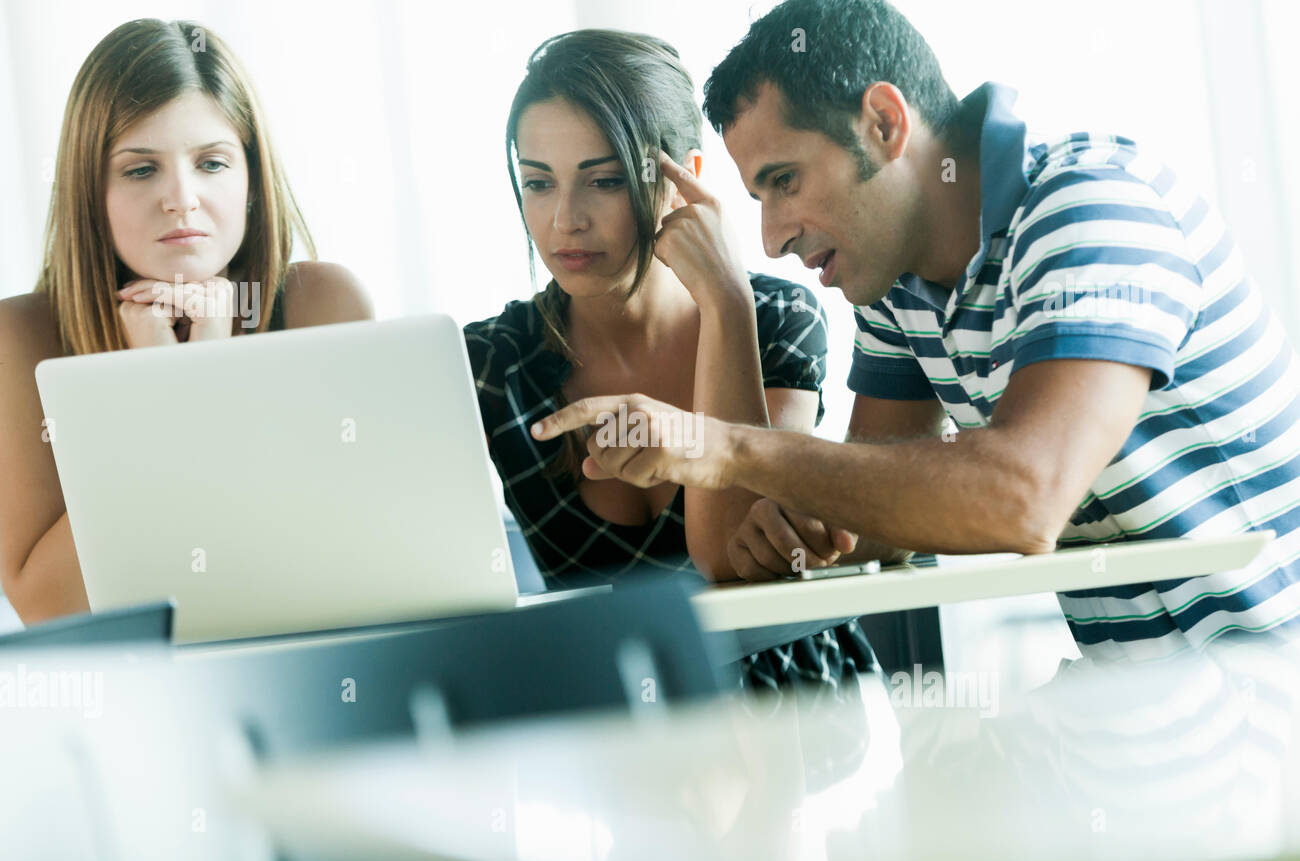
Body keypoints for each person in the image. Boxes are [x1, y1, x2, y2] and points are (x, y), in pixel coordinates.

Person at [532, 0, 1300, 663]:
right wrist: (802, 525)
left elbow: (1022, 500)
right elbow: (869, 524)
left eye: (784, 181)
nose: (768, 239)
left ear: (884, 123)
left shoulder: (1088, 209)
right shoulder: (900, 291)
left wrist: (724, 447)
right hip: (1149, 708)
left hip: (1268, 688)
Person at [465, 29, 887, 715]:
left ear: (679, 178)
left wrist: (725, 303)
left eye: (602, 181)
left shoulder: (776, 316)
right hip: (617, 723)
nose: (564, 220)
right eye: (538, 183)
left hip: (800, 709)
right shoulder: (490, 364)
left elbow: (732, 558)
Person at [0, 19, 373, 624]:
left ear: (251, 179)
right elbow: (52, 606)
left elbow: (353, 565)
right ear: (89, 190)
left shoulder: (320, 305)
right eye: (141, 169)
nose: (182, 197)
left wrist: (213, 368)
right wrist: (161, 394)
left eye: (212, 163)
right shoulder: (21, 339)